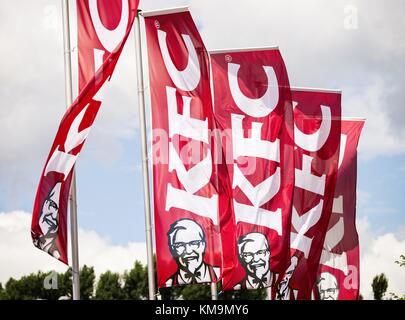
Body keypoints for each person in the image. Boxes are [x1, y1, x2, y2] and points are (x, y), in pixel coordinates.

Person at [165, 219, 219, 286]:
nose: (188, 251)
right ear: (172, 249)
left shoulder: (220, 275)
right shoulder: (168, 283)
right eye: (180, 245)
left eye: (194, 243)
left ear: (203, 245)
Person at [34, 182, 61, 259]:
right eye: (53, 205)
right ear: (45, 202)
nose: (54, 214)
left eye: (60, 211)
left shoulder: (57, 254)